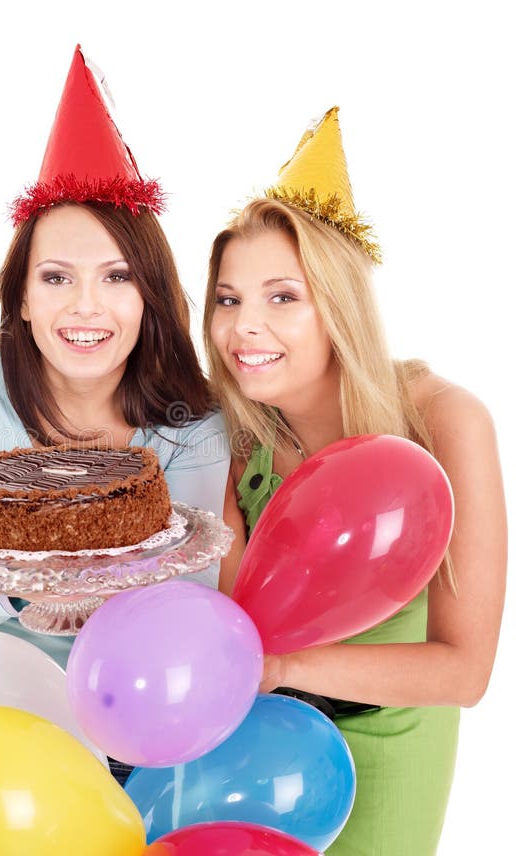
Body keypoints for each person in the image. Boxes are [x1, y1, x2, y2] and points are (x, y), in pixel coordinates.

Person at [205, 107, 507, 855]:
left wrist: (282, 668)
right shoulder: (238, 438)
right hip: (255, 753)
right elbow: (239, 616)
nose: (246, 326)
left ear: (337, 305)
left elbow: (465, 669)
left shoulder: (445, 422)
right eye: (228, 299)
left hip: (385, 752)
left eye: (283, 296)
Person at [0, 47, 230, 675]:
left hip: (139, 696)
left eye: (116, 277)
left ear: (149, 297)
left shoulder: (190, 420)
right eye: (57, 278)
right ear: (23, 299)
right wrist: (36, 583)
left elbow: (194, 595)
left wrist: (28, 556)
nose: (86, 308)